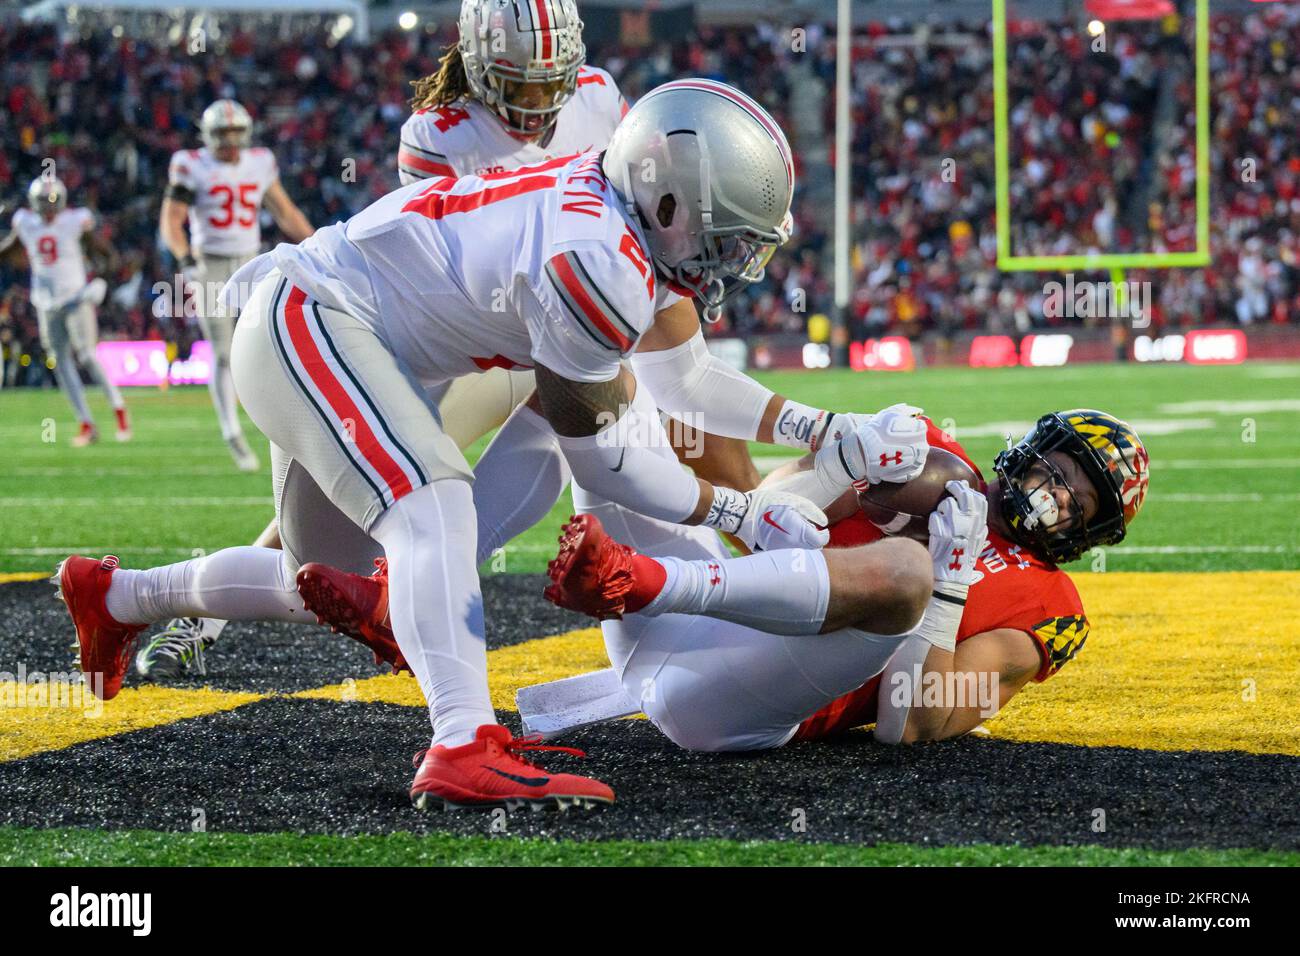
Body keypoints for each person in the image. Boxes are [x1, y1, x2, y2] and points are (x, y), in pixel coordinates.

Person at [58, 80, 872, 811]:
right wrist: (742, 510)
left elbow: (686, 382)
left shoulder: (619, 213)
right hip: (310, 319)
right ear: (667, 205)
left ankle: (119, 596)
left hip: (345, 334)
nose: (735, 261)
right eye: (727, 239)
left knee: (362, 566)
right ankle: (460, 743)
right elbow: (608, 464)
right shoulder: (600, 262)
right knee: (435, 504)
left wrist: (819, 429)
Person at [136, 1, 761, 680]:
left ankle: (771, 580)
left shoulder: (600, 99)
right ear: (479, 69)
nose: (539, 103)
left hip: (562, 323)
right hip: (470, 340)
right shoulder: (438, 134)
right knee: (353, 527)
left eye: (551, 82)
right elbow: (454, 263)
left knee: (628, 428)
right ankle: (204, 608)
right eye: (519, 85)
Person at [542, 409, 1149, 752]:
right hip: (679, 623)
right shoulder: (934, 453)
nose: (1059, 495)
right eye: (1062, 468)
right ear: (1034, 448)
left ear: (1088, 534)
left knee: (906, 571)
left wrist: (948, 582)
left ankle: (646, 579)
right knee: (604, 391)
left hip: (727, 697)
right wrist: (842, 466)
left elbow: (908, 724)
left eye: (1083, 500)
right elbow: (765, 509)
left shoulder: (1051, 607)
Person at [160, 99, 315, 471]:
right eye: (222, 134)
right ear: (207, 136)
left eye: (234, 133)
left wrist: (315, 244)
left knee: (269, 338)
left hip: (250, 261)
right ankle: (232, 432)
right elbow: (172, 219)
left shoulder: (260, 162)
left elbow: (284, 211)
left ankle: (280, 420)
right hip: (209, 263)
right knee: (224, 350)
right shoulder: (190, 164)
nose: (229, 142)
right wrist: (184, 259)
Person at [0, 176, 130, 445]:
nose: (48, 209)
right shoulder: (26, 224)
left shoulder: (75, 222)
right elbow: (9, 249)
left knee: (87, 355)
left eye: (52, 202)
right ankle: (86, 422)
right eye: (43, 203)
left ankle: (119, 412)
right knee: (59, 361)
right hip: (46, 302)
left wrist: (101, 281)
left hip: (76, 298)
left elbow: (107, 253)